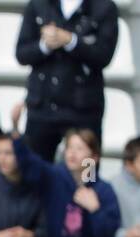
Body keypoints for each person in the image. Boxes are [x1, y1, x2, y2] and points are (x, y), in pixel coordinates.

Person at [10, 106, 122, 237]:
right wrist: (16, 130)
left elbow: (108, 232)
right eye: (69, 147)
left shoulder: (102, 189)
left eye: (80, 148)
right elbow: (28, 163)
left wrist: (95, 209)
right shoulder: (54, 177)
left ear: (94, 157)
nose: (72, 153)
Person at [15, 0, 118, 162]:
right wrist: (44, 45)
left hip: (84, 108)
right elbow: (21, 54)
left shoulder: (104, 7)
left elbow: (104, 55)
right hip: (43, 106)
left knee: (88, 166)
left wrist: (71, 41)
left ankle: (88, 186)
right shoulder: (38, 4)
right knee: (35, 169)